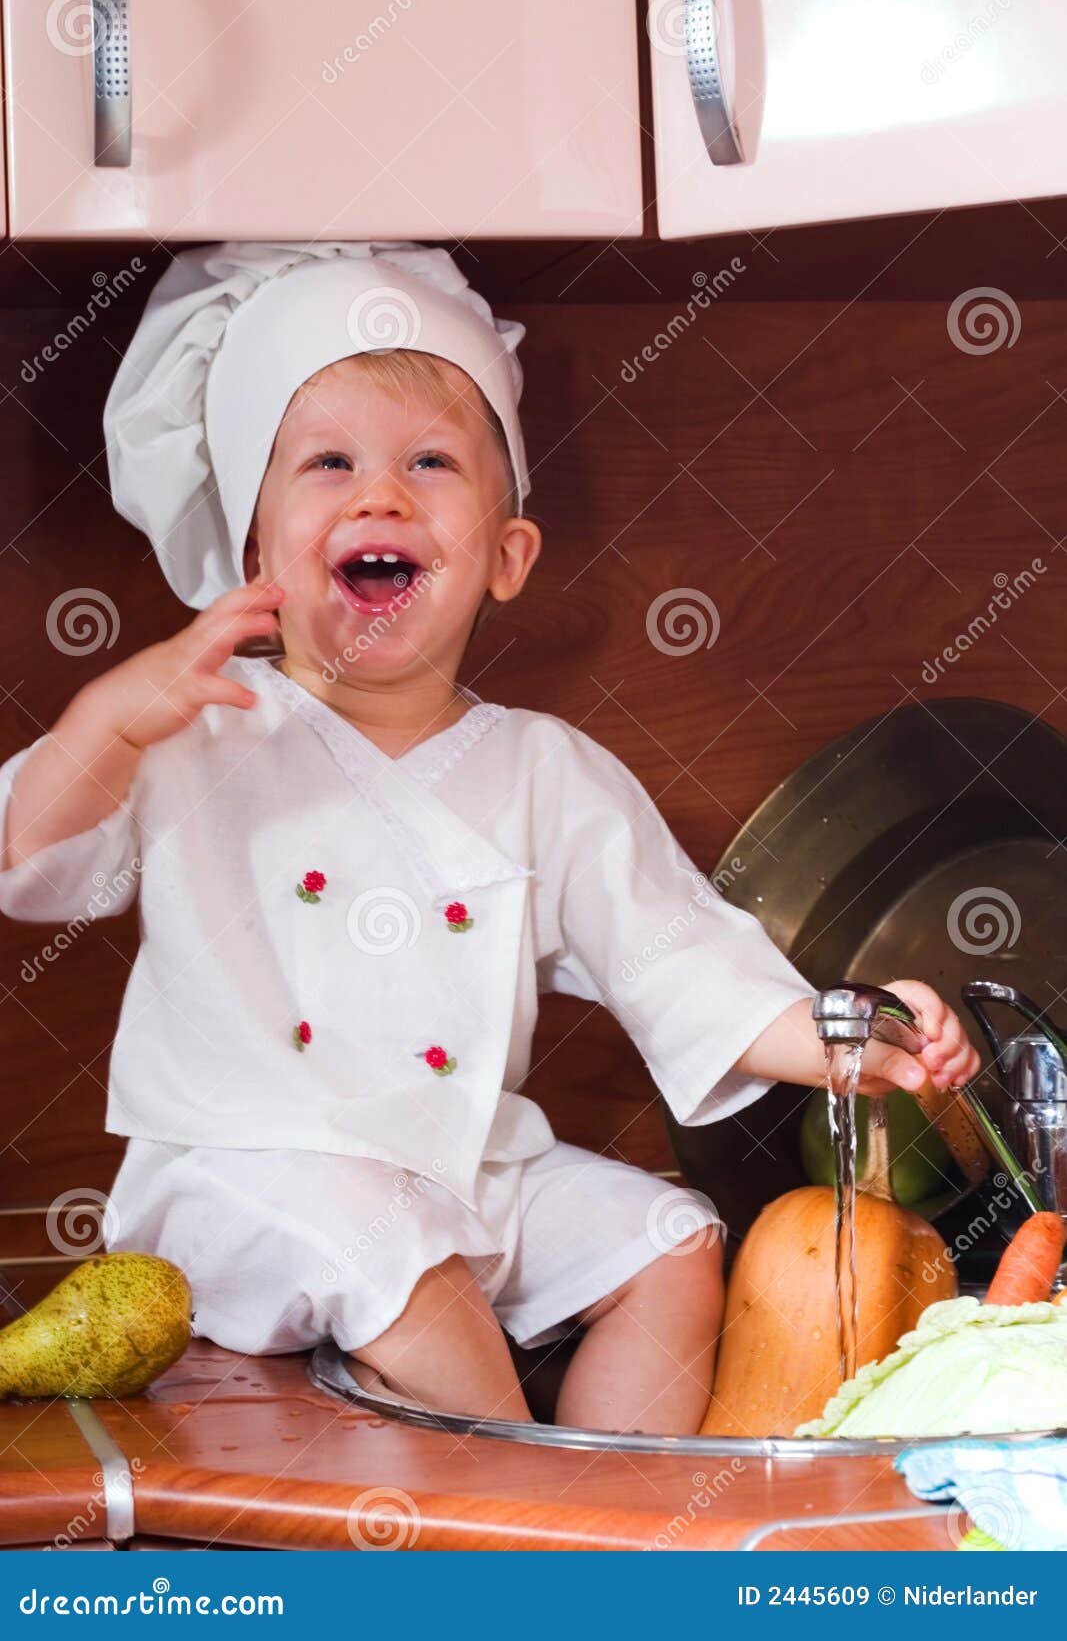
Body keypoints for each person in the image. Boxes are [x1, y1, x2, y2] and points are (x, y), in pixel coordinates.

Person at [0, 243, 980, 1435]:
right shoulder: (193, 729)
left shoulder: (547, 770)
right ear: (252, 553)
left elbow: (676, 959)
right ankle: (528, 1528)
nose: (380, 496)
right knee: (399, 1259)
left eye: (428, 462)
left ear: (506, 557)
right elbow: (30, 862)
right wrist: (105, 720)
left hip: (466, 1165)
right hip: (235, 1170)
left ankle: (618, 1511)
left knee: (670, 1244)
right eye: (326, 462)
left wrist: (845, 1036)